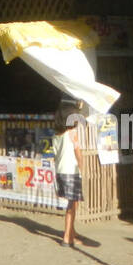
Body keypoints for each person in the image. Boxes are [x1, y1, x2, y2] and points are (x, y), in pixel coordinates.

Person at [54, 100, 84, 247]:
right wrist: (83, 166)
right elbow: (77, 152)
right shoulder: (72, 133)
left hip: (60, 172)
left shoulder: (57, 136)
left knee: (73, 203)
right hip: (71, 171)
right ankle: (67, 237)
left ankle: (72, 232)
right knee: (72, 205)